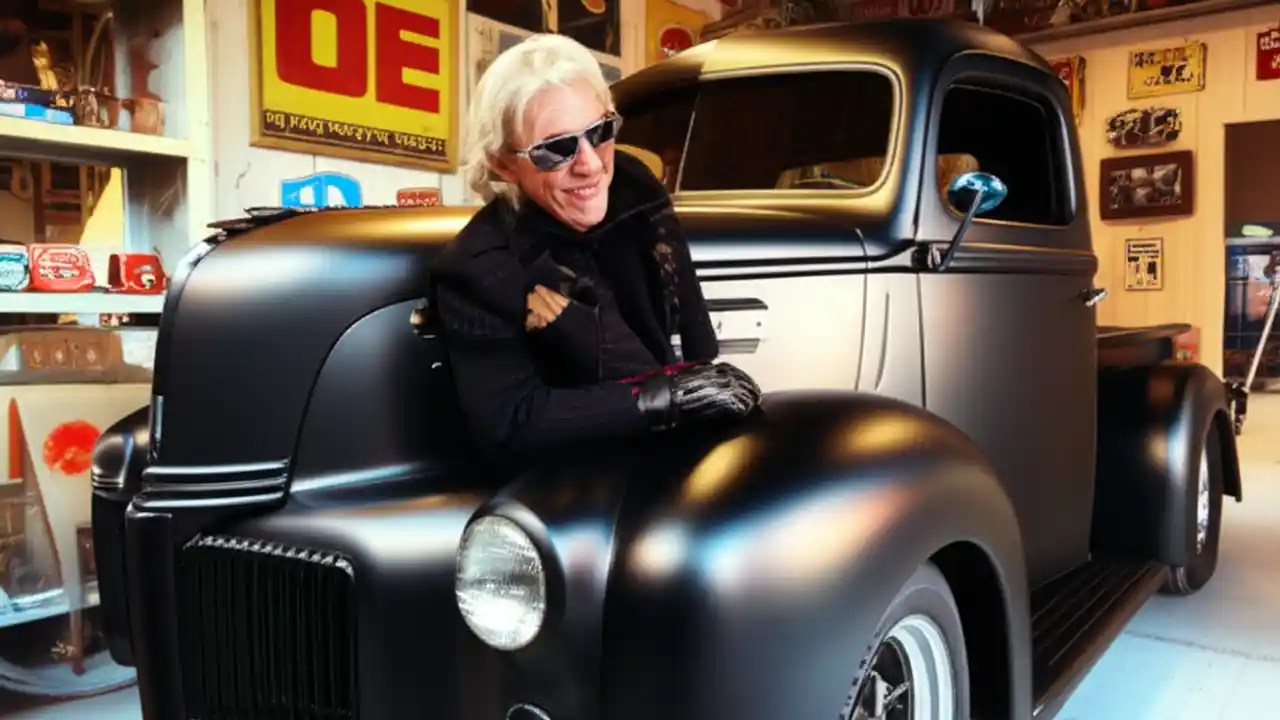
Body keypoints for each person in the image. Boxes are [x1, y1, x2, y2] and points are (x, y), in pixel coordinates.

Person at [431, 33, 761, 462]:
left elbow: (694, 337)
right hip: (573, 481)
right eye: (556, 149)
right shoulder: (479, 268)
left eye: (601, 132)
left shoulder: (634, 188)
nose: (590, 165)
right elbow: (509, 425)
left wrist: (705, 390)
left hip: (672, 454)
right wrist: (664, 398)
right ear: (503, 163)